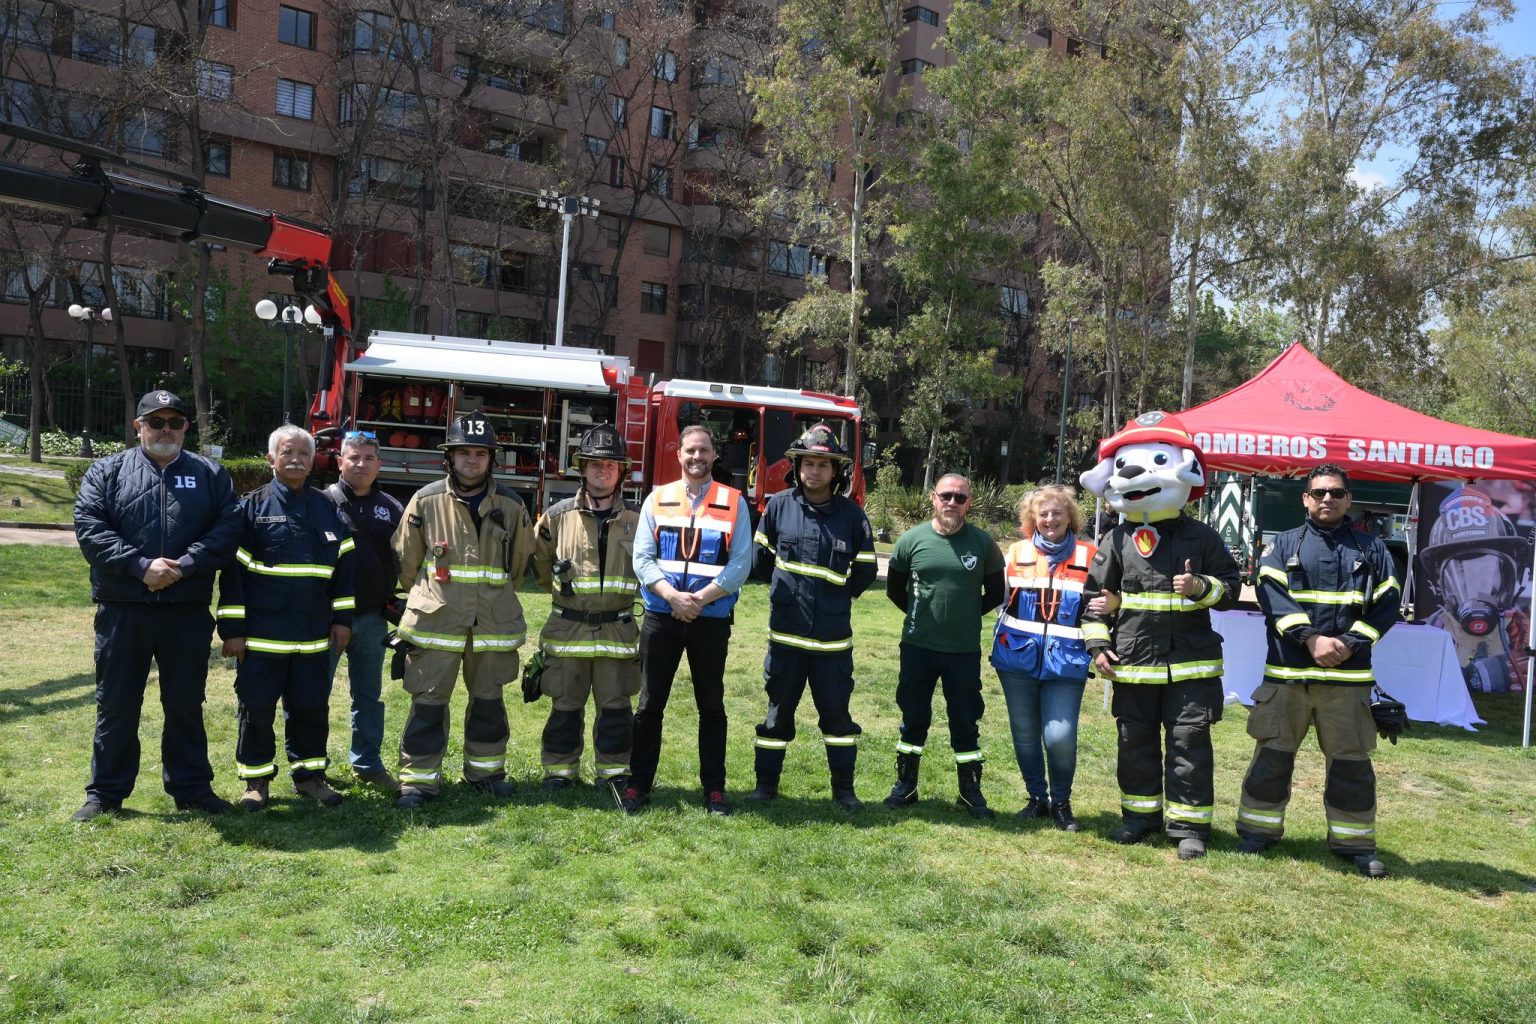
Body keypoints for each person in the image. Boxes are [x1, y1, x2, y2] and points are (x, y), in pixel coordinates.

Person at [70, 390, 242, 821]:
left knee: (185, 702)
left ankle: (192, 789)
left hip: (185, 608)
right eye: (156, 422)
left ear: (186, 427)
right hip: (124, 606)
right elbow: (90, 528)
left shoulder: (210, 474)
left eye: (175, 422)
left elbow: (228, 529)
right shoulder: (106, 472)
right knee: (117, 702)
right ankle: (105, 793)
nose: (166, 430)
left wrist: (186, 564)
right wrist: (139, 565)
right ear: (138, 426)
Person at [1080, 411, 1240, 860]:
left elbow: (1231, 590)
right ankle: (1139, 817)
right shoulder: (1114, 540)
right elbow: (1093, 600)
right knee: (1135, 743)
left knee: (1189, 745)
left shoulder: (1202, 537)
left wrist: (1200, 588)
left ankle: (1189, 827)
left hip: (1190, 667)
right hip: (1132, 663)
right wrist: (1097, 645)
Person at [1238, 464, 1401, 878]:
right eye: (1318, 492)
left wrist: (1349, 643)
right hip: (1289, 676)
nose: (1326, 498)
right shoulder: (1282, 545)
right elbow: (1271, 596)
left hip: (1347, 681)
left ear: (1348, 499)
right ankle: (1257, 833)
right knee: (1272, 756)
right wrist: (1311, 639)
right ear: (1305, 498)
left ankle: (1355, 844)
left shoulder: (1373, 549)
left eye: (1335, 492)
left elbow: (1387, 604)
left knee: (1351, 765)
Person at [392, 411, 535, 810]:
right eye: (463, 452)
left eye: (480, 453)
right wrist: (432, 598)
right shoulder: (425, 500)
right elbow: (406, 562)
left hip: (491, 623)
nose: (471, 460)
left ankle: (486, 774)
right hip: (437, 621)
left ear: (491, 459)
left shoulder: (511, 505)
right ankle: (418, 783)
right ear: (449, 458)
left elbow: (520, 565)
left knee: (488, 702)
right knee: (428, 703)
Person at [217, 425, 355, 810]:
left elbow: (345, 571)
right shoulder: (251, 509)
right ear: (270, 459)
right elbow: (234, 576)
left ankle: (310, 778)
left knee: (312, 708)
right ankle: (256, 782)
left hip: (312, 638)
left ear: (313, 461)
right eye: (287, 452)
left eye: (303, 454)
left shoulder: (328, 509)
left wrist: (343, 621)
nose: (295, 460)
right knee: (257, 709)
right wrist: (232, 630)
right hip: (262, 638)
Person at [746, 425, 879, 810]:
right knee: (775, 717)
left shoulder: (853, 517)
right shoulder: (778, 506)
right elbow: (761, 561)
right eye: (808, 463)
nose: (815, 471)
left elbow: (867, 570)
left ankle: (844, 791)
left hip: (832, 642)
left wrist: (836, 598)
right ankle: (765, 787)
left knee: (837, 719)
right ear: (797, 467)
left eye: (823, 464)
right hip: (786, 638)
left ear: (835, 471)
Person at [624, 425, 753, 816]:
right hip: (663, 616)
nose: (697, 457)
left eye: (704, 451)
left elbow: (741, 563)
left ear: (715, 455)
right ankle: (638, 786)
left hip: (710, 618)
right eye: (690, 451)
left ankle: (714, 789)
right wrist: (672, 597)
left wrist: (699, 599)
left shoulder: (734, 502)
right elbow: (642, 559)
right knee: (649, 705)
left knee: (711, 706)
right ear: (678, 455)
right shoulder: (657, 499)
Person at [530, 424, 643, 801]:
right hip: (569, 630)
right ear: (582, 467)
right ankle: (559, 773)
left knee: (615, 709)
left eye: (611, 465)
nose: (603, 470)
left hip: (617, 631)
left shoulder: (640, 521)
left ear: (622, 472)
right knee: (565, 706)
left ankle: (613, 773)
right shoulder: (556, 517)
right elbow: (542, 567)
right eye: (595, 463)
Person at [884, 474, 1006, 819]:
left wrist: (965, 615)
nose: (952, 502)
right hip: (918, 646)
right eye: (946, 496)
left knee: (965, 721)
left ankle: (970, 793)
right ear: (934, 499)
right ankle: (905, 786)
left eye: (960, 497)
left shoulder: (983, 544)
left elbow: (995, 594)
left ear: (969, 503)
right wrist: (922, 614)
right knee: (913, 717)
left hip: (963, 650)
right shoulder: (911, 540)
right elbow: (896, 590)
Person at [991, 485, 1096, 831]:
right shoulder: (1015, 552)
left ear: (1070, 517)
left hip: (1067, 662)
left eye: (1057, 512)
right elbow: (997, 599)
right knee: (1024, 733)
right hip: (1017, 659)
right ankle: (1036, 798)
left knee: (1059, 736)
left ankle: (1061, 801)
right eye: (1043, 513)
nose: (1050, 519)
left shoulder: (1090, 555)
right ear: (1032, 518)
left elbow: (1105, 604)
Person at [323, 430, 404, 791]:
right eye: (353, 457)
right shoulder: (321, 503)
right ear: (340, 461)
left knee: (368, 696)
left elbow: (407, 558)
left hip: (372, 617)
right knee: (314, 693)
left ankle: (368, 763)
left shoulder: (393, 507)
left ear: (378, 464)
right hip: (324, 619)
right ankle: (310, 766)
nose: (361, 464)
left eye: (368, 458)